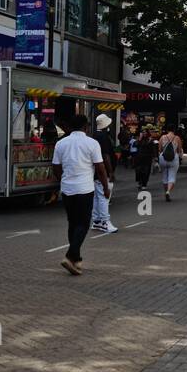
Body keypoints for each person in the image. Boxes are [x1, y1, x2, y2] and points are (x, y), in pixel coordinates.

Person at [51, 113, 109, 276]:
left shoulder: (61, 143)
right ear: (85, 127)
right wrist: (106, 187)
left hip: (67, 189)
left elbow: (56, 167)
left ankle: (76, 260)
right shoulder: (92, 143)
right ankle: (70, 255)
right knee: (83, 224)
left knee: (72, 222)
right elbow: (100, 168)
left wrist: (63, 178)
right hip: (85, 189)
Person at [91, 114, 118, 234]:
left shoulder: (95, 136)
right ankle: (105, 221)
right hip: (103, 170)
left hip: (95, 171)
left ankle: (96, 220)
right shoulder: (104, 137)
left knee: (97, 196)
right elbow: (106, 156)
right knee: (104, 196)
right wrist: (110, 171)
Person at [158, 125, 183, 201]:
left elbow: (159, 149)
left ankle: (165, 191)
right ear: (174, 130)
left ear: (167, 130)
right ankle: (168, 192)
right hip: (173, 158)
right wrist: (180, 157)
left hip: (163, 158)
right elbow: (179, 150)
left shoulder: (162, 137)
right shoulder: (177, 138)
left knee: (164, 176)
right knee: (171, 176)